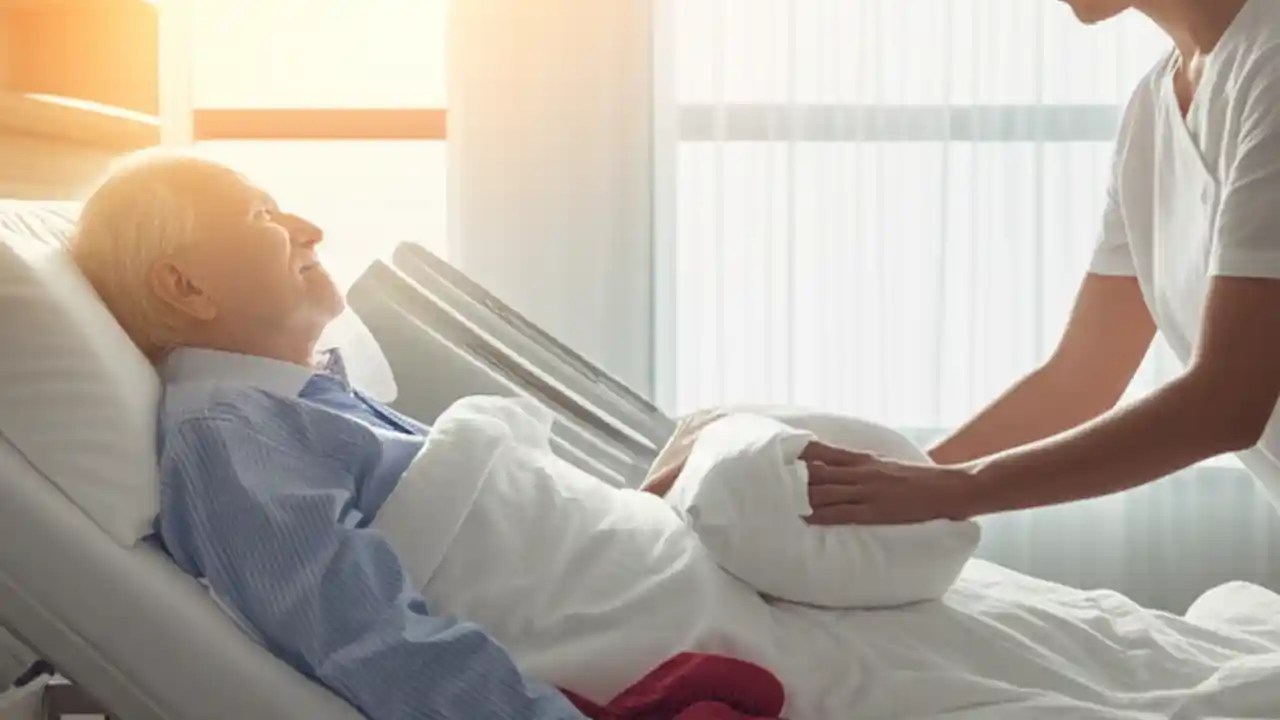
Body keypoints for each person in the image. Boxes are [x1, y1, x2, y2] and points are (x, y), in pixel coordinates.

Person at [68, 151, 856, 720]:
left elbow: (506, 529)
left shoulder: (301, 404)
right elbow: (362, 636)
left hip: (663, 585)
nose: (307, 227)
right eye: (262, 215)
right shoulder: (229, 436)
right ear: (187, 287)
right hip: (664, 625)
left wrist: (643, 506)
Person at [805, 0, 1280, 527]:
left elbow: (1229, 401)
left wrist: (952, 490)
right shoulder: (1151, 112)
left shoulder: (1271, 63)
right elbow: (1081, 378)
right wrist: (888, 485)